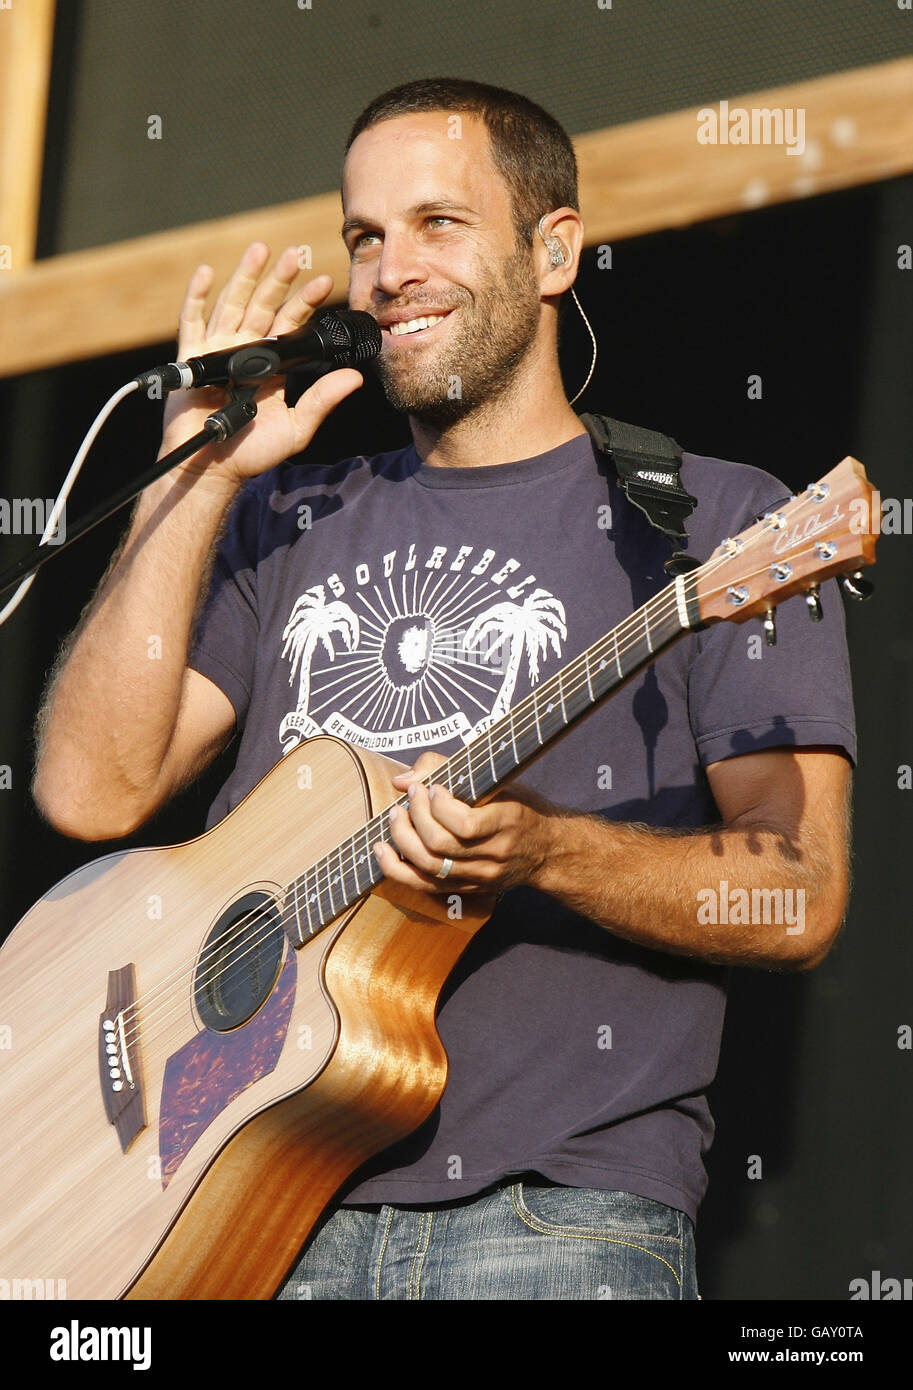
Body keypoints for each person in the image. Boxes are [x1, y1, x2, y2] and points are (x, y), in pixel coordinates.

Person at [32, 78, 855, 1301]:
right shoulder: (280, 518)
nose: (386, 271)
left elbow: (798, 901)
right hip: (241, 1211)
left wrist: (543, 853)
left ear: (553, 250)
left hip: (554, 1222)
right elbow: (88, 792)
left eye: (437, 224)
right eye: (363, 235)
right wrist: (191, 472)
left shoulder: (718, 526)